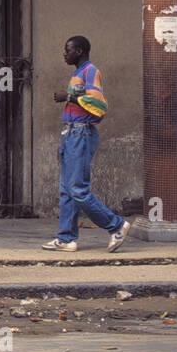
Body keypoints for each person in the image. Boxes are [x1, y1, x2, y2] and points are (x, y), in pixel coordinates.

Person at [42, 36, 129, 253]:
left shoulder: (91, 71)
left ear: (79, 51)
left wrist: (68, 96)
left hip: (81, 133)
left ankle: (116, 225)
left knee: (77, 189)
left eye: (68, 50)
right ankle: (66, 239)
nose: (64, 54)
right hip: (71, 133)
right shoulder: (77, 73)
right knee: (66, 190)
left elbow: (99, 104)